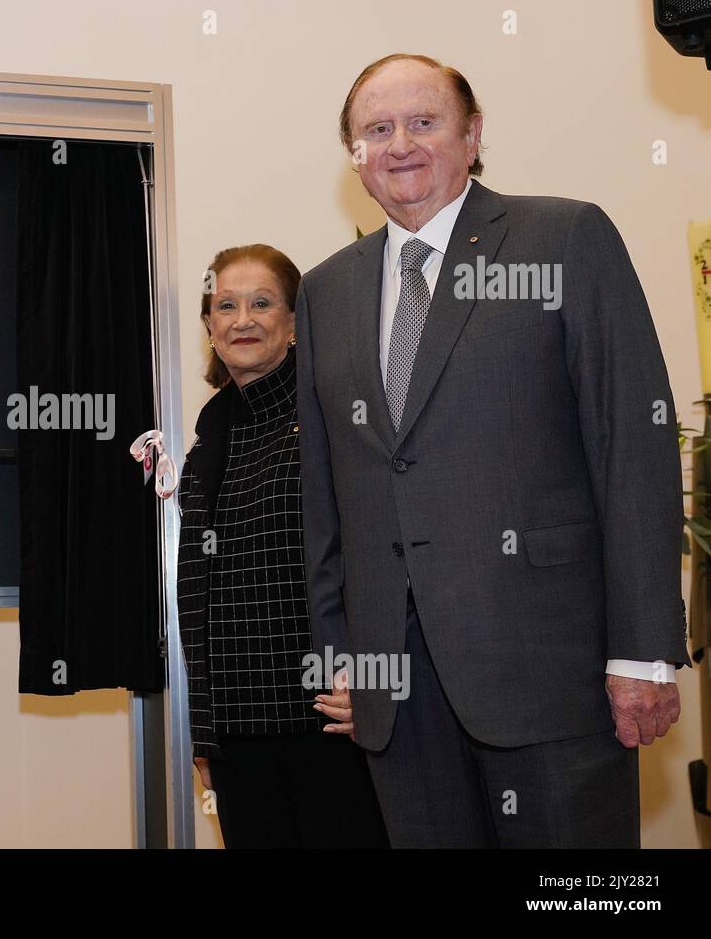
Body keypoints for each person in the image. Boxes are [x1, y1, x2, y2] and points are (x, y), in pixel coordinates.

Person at [295, 53, 691, 847]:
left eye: (423, 122)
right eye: (377, 130)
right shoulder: (326, 289)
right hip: (395, 686)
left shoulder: (565, 236)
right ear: (354, 156)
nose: (399, 144)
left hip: (551, 669)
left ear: (473, 135)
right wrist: (338, 650)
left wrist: (644, 651)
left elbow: (632, 444)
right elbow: (327, 489)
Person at [177, 243, 387, 848]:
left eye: (262, 302)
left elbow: (382, 558)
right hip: (239, 741)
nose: (242, 319)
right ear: (210, 328)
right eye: (225, 305)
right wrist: (205, 733)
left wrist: (374, 685)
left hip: (332, 727)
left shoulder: (337, 418)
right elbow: (199, 599)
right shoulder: (207, 444)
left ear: (295, 323)